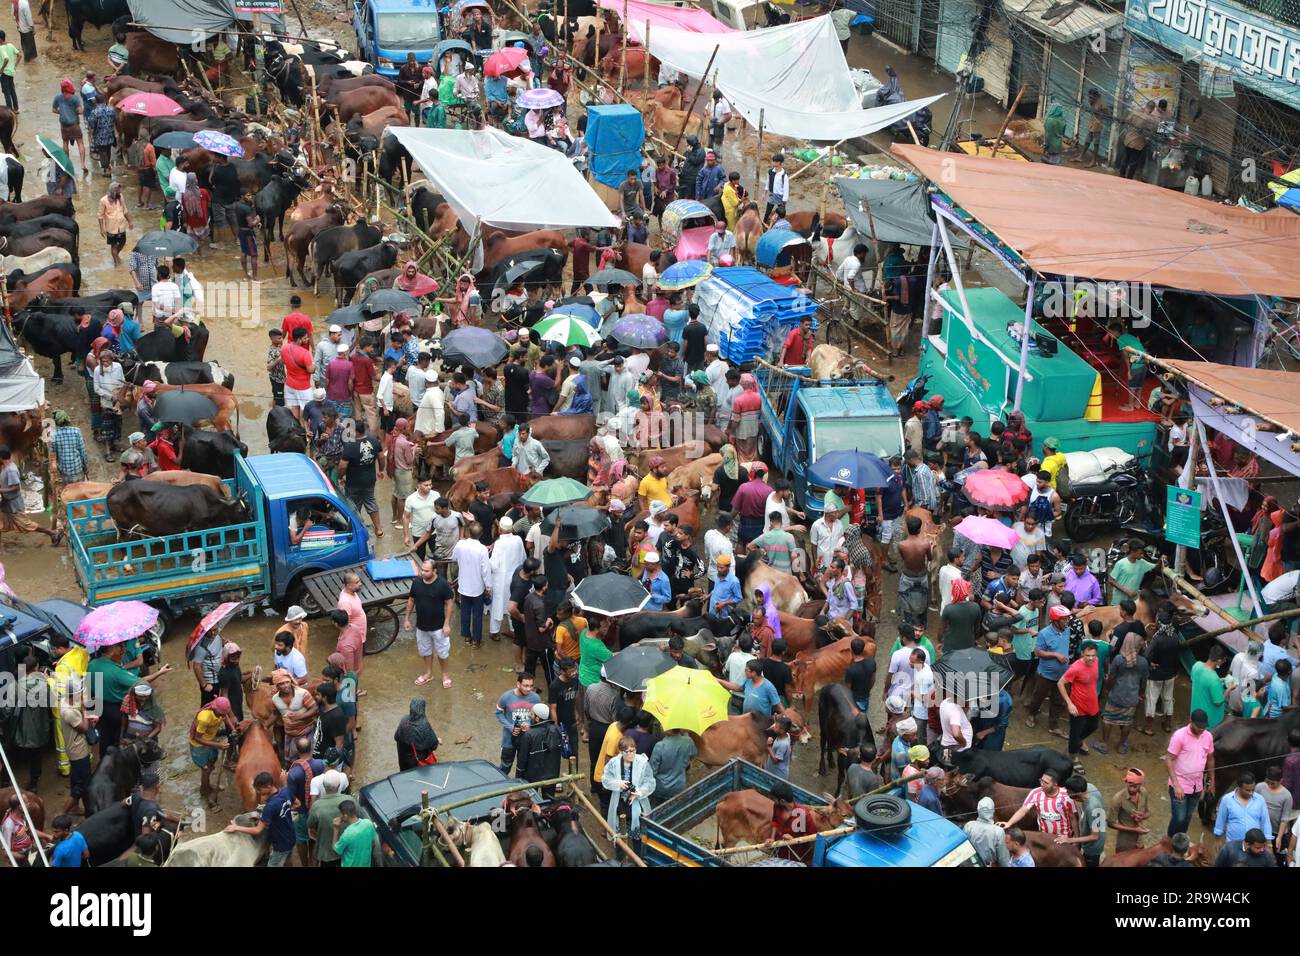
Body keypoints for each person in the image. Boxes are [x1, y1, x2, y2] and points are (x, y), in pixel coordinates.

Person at [1165, 709, 1216, 836]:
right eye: (1198, 726)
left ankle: (1180, 842)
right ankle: (1169, 842)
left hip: (1197, 786)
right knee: (1179, 818)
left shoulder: (1208, 736)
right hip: (1180, 785)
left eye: (1204, 727)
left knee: (1187, 817)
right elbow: (1169, 759)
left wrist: (1212, 781)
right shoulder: (1179, 736)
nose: (1201, 729)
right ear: (1190, 722)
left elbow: (1210, 760)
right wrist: (1176, 785)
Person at [602, 735, 655, 837]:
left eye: (633, 750)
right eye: (627, 752)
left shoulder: (642, 762)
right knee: (620, 833)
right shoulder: (614, 763)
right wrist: (618, 783)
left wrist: (639, 792)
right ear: (621, 751)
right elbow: (605, 779)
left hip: (638, 803)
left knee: (639, 834)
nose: (631, 754)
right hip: (620, 802)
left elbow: (650, 781)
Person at [338, 420, 384, 537]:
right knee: (370, 501)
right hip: (370, 480)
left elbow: (342, 466)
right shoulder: (374, 441)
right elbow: (381, 457)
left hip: (354, 482)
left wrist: (340, 477)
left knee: (353, 505)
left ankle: (356, 529)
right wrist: (381, 470)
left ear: (356, 432)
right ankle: (378, 529)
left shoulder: (350, 446)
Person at [1059, 642, 1104, 756]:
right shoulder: (1075, 668)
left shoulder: (1096, 661)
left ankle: (1077, 740)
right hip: (1077, 705)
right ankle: (1073, 757)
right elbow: (1060, 683)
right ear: (1082, 654)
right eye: (1088, 655)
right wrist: (1069, 704)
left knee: (1093, 725)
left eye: (1093, 655)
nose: (1091, 658)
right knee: (1075, 731)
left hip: (1092, 702)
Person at [452, 522, 491, 647]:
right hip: (477, 587)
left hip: (463, 585)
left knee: (465, 612)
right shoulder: (482, 549)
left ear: (468, 532)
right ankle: (476, 640)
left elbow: (454, 559)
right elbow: (486, 570)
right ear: (481, 534)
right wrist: (488, 587)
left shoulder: (460, 544)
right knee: (477, 614)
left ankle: (467, 637)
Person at [52, 79, 87, 175]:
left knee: (65, 143)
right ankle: (83, 164)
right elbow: (80, 111)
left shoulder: (58, 98)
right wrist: (74, 112)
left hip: (64, 126)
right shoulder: (74, 98)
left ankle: (67, 163)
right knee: (80, 143)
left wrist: (62, 112)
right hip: (74, 125)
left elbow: (54, 110)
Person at [394, 698, 439, 770]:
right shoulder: (424, 725)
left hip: (404, 762)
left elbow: (396, 737)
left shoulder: (404, 720)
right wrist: (438, 740)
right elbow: (433, 745)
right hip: (418, 765)